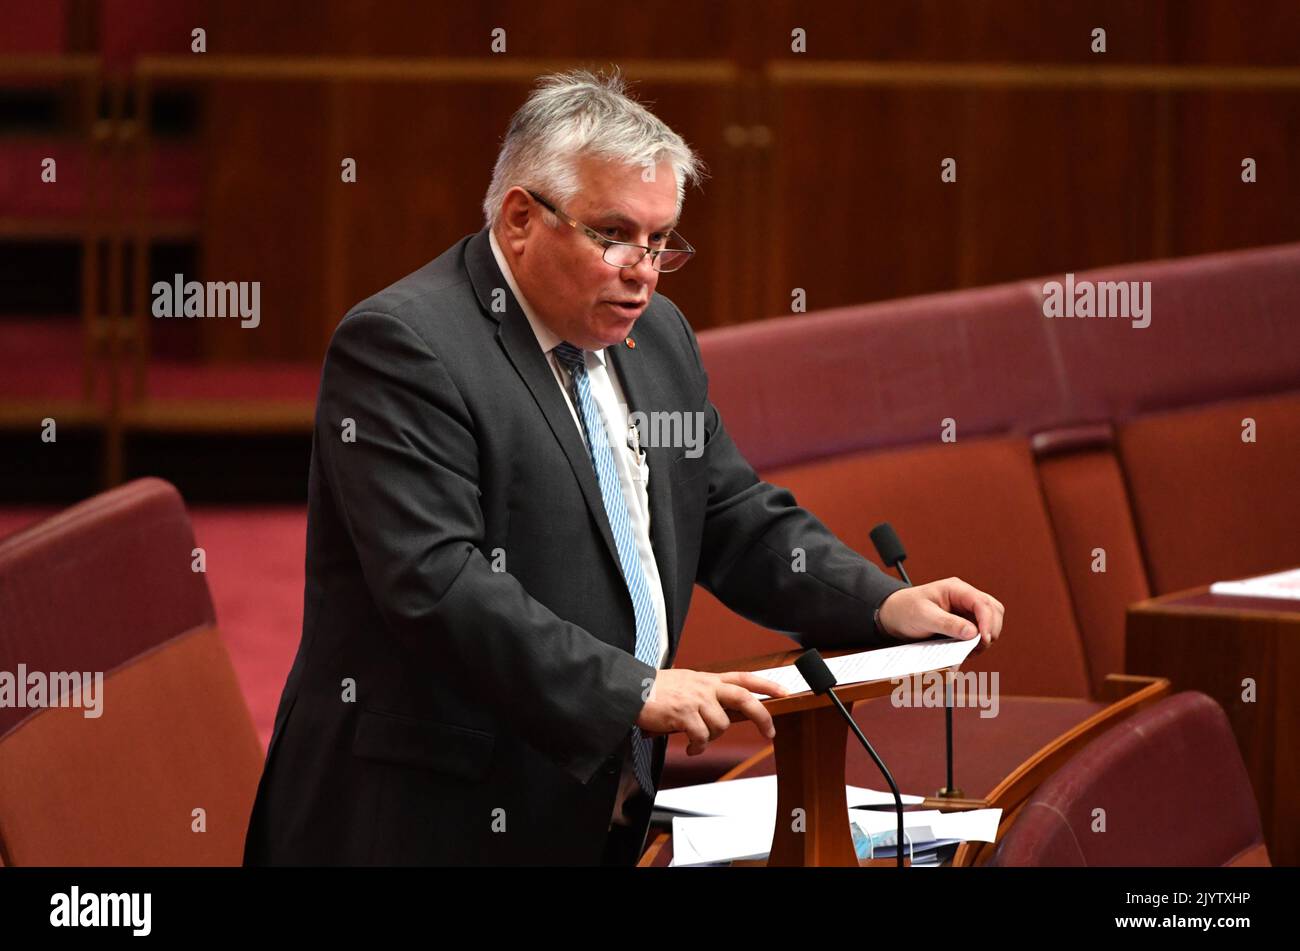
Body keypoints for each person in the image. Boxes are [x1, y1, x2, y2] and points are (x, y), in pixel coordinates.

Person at [242, 67, 1003, 867]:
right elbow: (436, 581)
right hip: (429, 816)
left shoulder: (657, 337)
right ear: (519, 219)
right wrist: (632, 690)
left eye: (661, 239)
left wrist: (883, 606)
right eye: (613, 234)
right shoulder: (405, 347)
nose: (642, 268)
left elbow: (727, 513)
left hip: (596, 799)